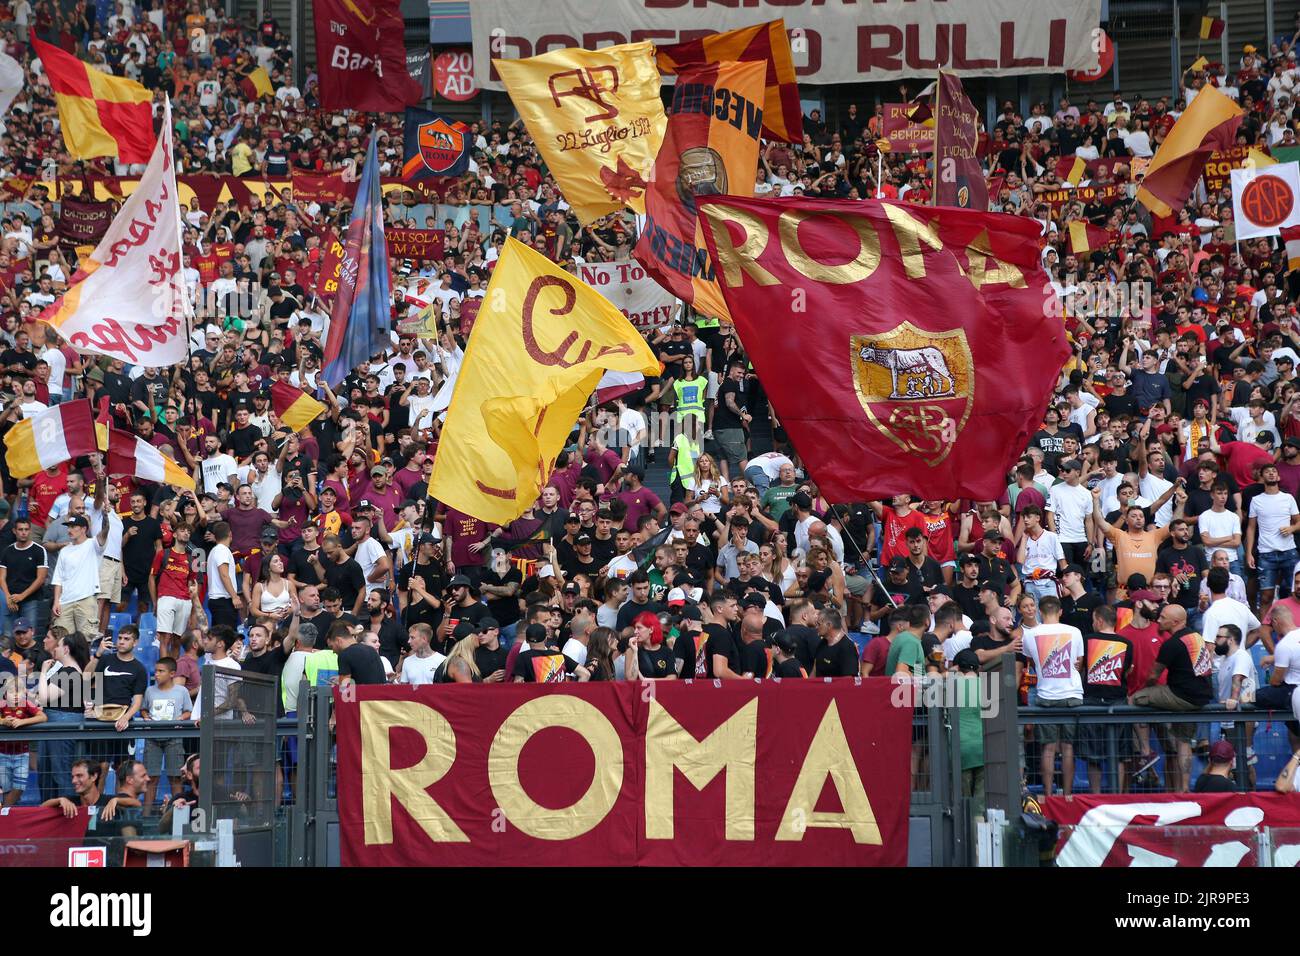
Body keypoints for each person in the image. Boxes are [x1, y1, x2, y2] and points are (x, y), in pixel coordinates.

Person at [1019, 596, 1084, 797]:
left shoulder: (1030, 634)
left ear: (1040, 611)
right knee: (1067, 747)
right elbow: (1079, 662)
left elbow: (1030, 659)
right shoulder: (1074, 631)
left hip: (1046, 695)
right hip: (1072, 694)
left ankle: (1048, 795)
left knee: (1047, 748)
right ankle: (1067, 795)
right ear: (1060, 611)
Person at [142, 656, 191, 812]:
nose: (156, 674)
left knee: (176, 777)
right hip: (152, 737)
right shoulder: (149, 690)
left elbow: (188, 711)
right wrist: (145, 717)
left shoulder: (181, 691)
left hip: (174, 738)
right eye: (156, 671)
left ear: (172, 674)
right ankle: (146, 815)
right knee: (151, 777)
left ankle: (178, 814)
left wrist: (180, 718)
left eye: (161, 671)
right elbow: (143, 708)